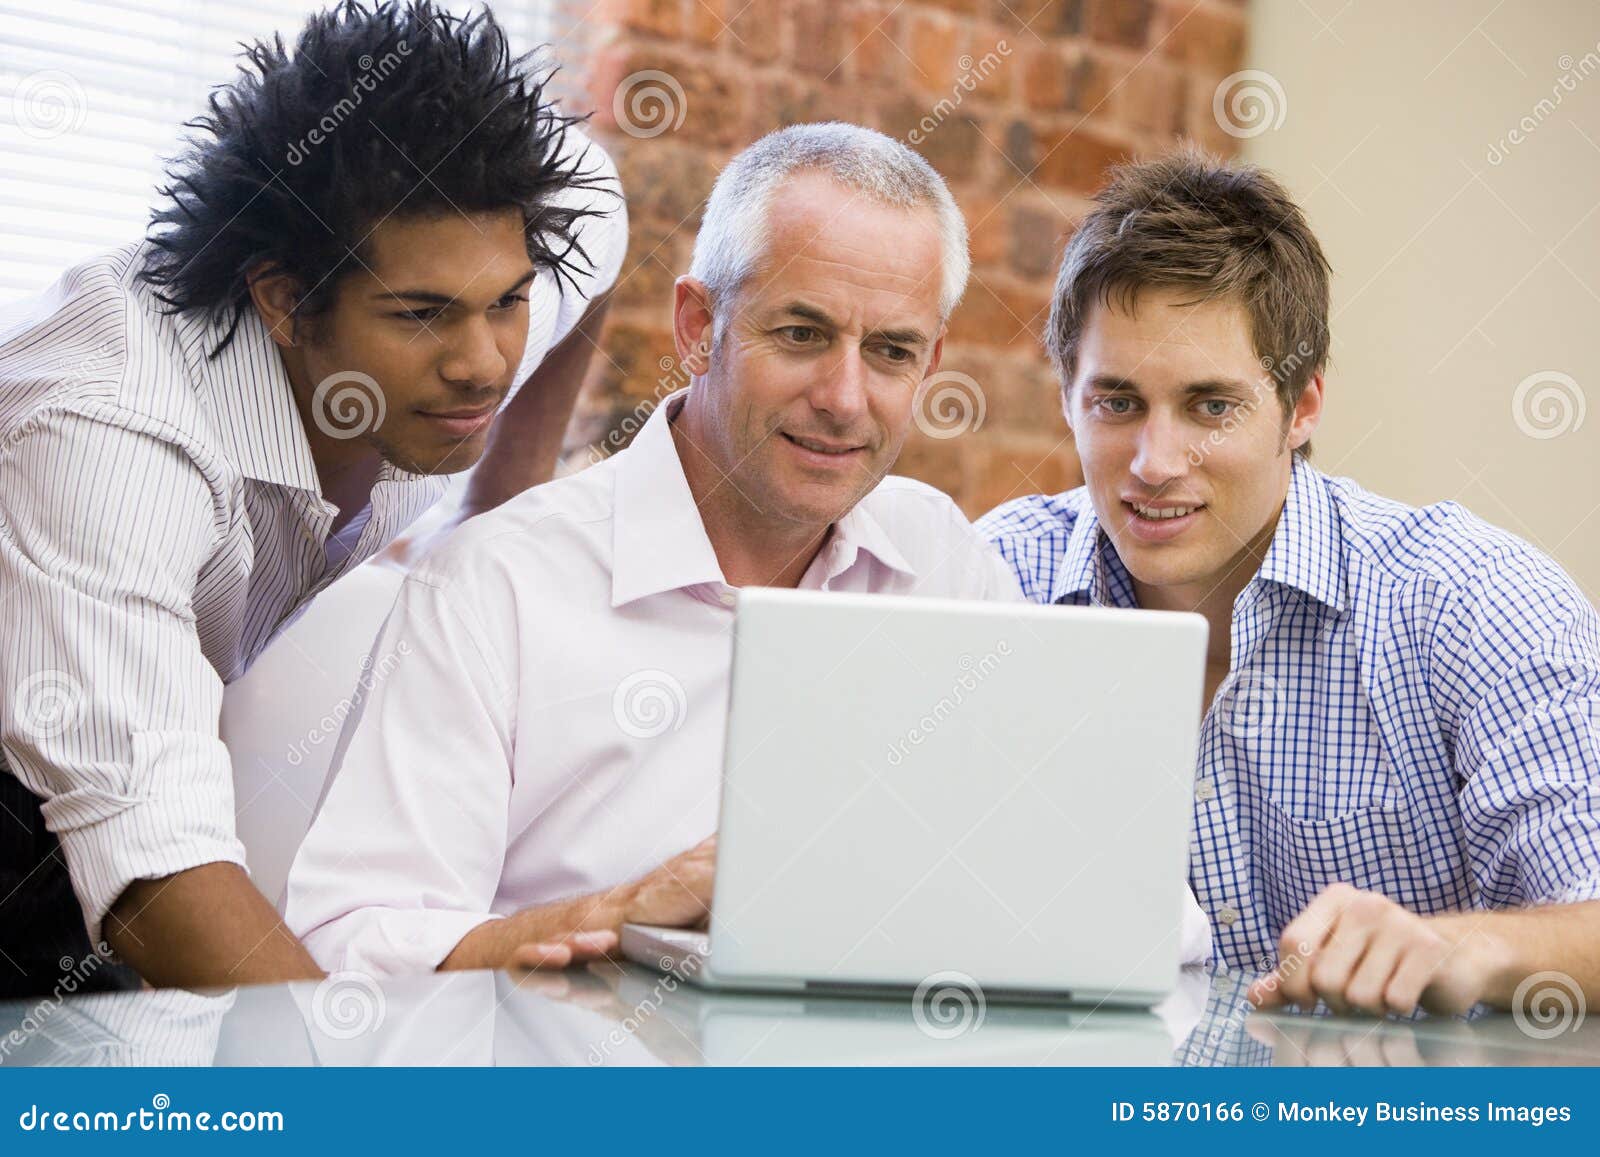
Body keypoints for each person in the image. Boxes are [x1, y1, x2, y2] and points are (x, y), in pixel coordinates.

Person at [285, 122, 1215, 977]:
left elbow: (1131, 905)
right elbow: (349, 947)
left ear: (931, 365)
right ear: (700, 327)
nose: (846, 398)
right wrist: (621, 916)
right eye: (803, 334)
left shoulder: (940, 560)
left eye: (890, 351)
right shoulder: (497, 584)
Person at [0, 0, 627, 996]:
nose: (480, 365)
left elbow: (597, 217)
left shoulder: (488, 253)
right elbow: (154, 855)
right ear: (284, 300)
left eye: (507, 301)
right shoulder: (115, 431)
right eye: (421, 316)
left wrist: (497, 519)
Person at [980, 147, 1600, 1017]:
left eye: (1211, 405)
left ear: (1303, 405)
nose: (1154, 464)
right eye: (1116, 402)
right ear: (1068, 397)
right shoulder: (993, 586)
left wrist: (1465, 944)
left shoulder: (1474, 604)